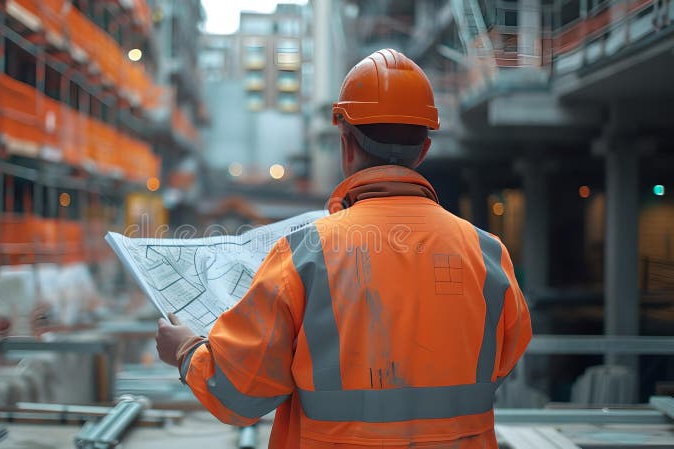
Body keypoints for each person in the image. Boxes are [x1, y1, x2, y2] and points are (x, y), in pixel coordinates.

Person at [156, 48, 532, 449]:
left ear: (346, 146)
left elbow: (238, 395)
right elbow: (503, 358)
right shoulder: (488, 253)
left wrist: (185, 351)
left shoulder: (305, 255)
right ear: (423, 151)